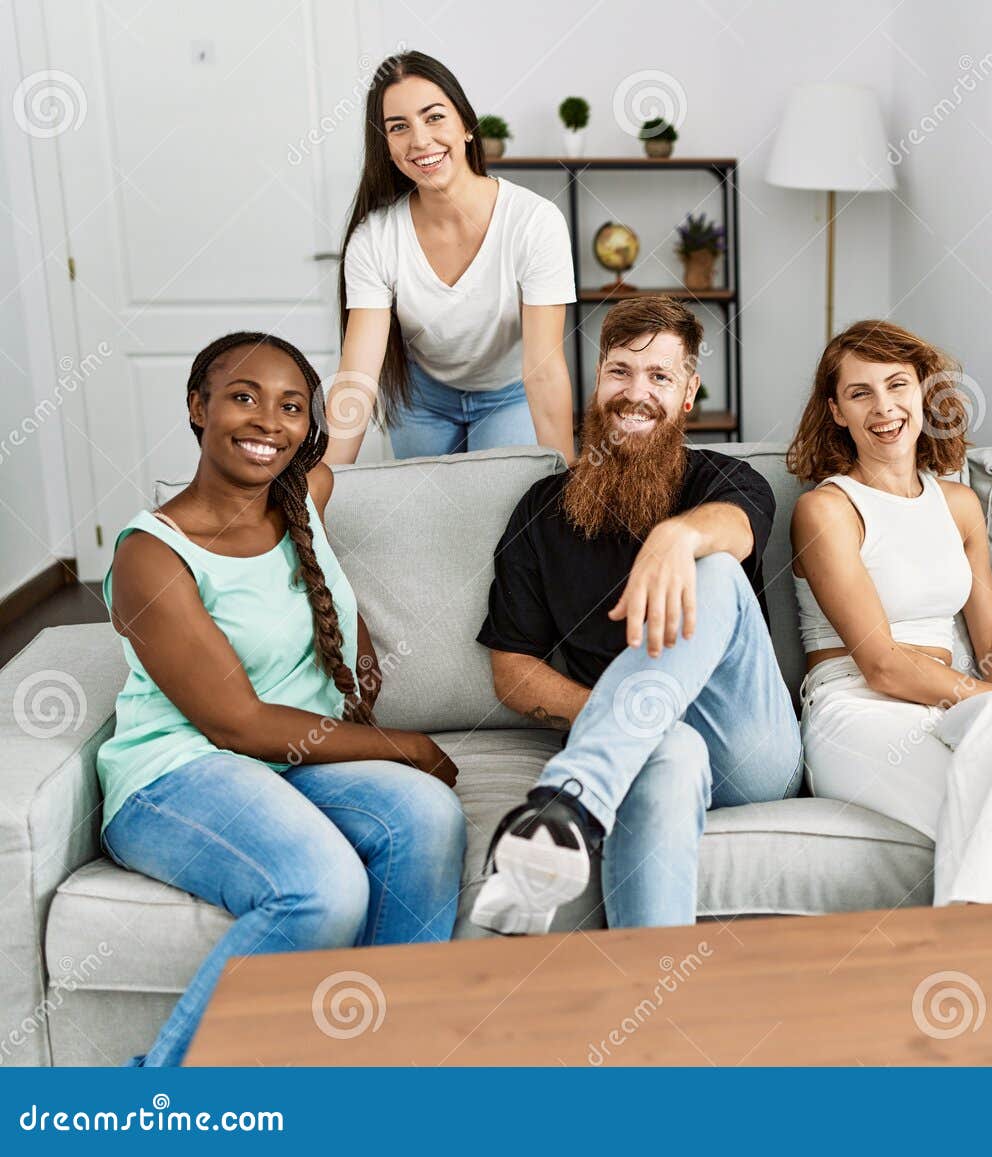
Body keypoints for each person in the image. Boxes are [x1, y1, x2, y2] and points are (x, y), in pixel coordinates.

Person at [96, 332, 466, 1067]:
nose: (269, 422)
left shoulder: (300, 499)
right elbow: (239, 722)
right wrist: (410, 747)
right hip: (179, 774)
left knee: (429, 817)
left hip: (292, 762)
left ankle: (374, 1071)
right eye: (243, 397)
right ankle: (154, 1102)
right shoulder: (152, 554)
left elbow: (321, 490)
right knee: (321, 889)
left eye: (291, 406)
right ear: (198, 408)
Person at [472, 296, 802, 933]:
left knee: (717, 571)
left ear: (688, 394)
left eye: (660, 376)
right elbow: (512, 670)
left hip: (747, 745)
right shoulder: (542, 511)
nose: (636, 392)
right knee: (667, 746)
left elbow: (733, 533)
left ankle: (566, 797)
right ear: (597, 382)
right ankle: (648, 995)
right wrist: (633, 715)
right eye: (620, 371)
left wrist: (677, 538)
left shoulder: (726, 480)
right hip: (644, 745)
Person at [785, 319, 992, 907]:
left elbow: (991, 632)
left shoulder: (959, 504)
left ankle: (969, 935)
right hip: (856, 710)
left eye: (898, 385)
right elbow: (883, 666)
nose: (884, 407)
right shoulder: (827, 509)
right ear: (836, 411)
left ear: (925, 393)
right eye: (859, 392)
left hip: (949, 712)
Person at [327, 51, 576, 463]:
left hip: (508, 394)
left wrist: (567, 486)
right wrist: (318, 494)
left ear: (466, 125)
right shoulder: (374, 238)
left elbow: (544, 369)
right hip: (421, 399)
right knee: (426, 516)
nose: (420, 140)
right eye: (399, 127)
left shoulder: (535, 222)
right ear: (386, 145)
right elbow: (357, 379)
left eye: (435, 117)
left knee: (503, 514)